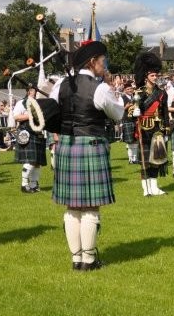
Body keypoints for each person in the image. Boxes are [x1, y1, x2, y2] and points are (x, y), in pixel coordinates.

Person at [49, 41, 125, 271]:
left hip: (66, 146)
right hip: (91, 146)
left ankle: (76, 258)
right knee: (91, 207)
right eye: (103, 60)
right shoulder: (99, 88)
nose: (105, 65)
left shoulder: (60, 86)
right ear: (92, 62)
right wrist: (117, 93)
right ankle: (89, 260)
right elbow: (118, 113)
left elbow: (51, 112)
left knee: (72, 208)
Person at [133, 52, 170, 196]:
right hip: (143, 129)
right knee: (145, 160)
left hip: (158, 129)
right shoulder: (139, 93)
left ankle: (154, 188)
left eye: (156, 75)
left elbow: (165, 113)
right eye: (152, 75)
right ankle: (145, 188)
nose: (155, 78)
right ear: (146, 76)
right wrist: (134, 110)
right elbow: (131, 109)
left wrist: (167, 130)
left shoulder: (162, 93)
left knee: (157, 160)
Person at [13, 86, 48, 193]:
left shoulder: (38, 103)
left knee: (38, 161)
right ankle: (24, 185)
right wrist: (30, 115)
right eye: (33, 91)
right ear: (28, 92)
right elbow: (16, 117)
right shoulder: (21, 103)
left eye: (36, 91)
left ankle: (34, 185)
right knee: (31, 160)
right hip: (27, 132)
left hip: (38, 133)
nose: (35, 93)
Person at [119, 82, 139, 164]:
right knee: (130, 141)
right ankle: (131, 159)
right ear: (124, 90)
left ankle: (135, 158)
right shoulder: (121, 98)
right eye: (127, 89)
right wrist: (126, 107)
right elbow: (119, 110)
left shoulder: (135, 97)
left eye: (130, 88)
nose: (130, 90)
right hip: (127, 120)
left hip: (135, 120)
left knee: (135, 140)